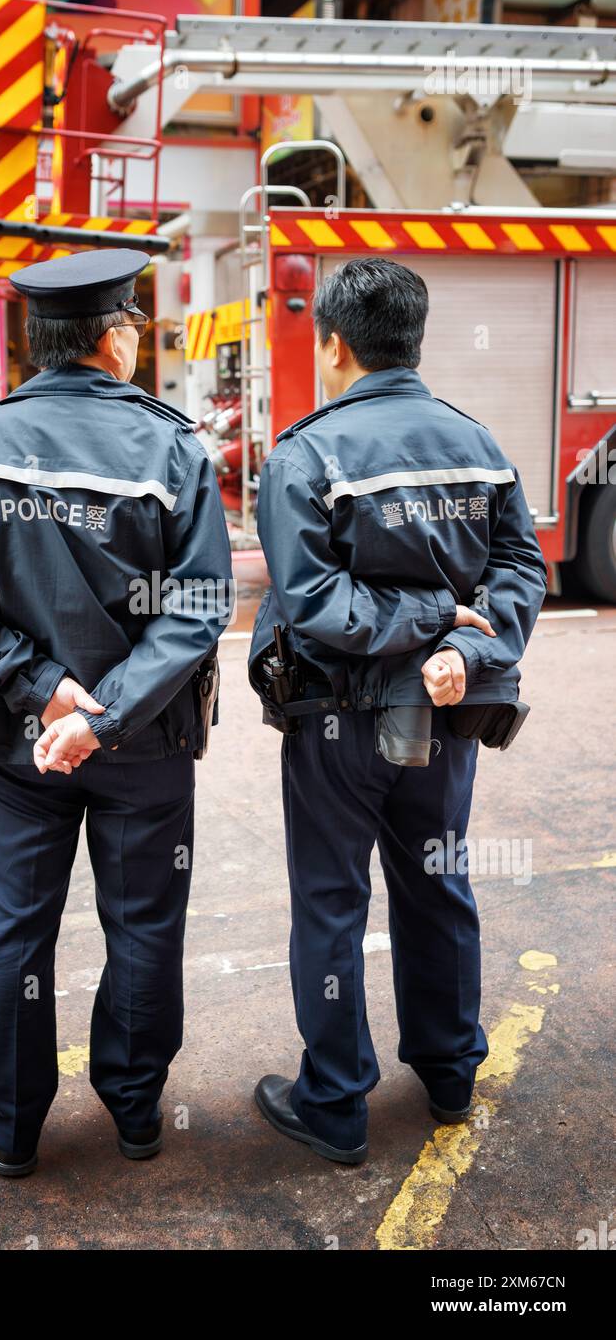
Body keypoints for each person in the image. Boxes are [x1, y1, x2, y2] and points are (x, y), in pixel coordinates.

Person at [0, 248, 233, 1177]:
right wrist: (106, 712)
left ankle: (11, 1130)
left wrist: (38, 690)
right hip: (146, 742)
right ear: (110, 338)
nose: (133, 338)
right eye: (131, 324)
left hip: (20, 749)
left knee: (15, 929)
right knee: (143, 926)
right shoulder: (172, 448)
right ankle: (134, 1114)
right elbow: (202, 607)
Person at [248, 256, 547, 1165]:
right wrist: (462, 646)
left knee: (331, 904)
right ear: (414, 341)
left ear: (333, 344)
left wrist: (429, 631)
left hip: (336, 722)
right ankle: (450, 1073)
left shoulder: (303, 452)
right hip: (446, 712)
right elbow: (521, 572)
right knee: (437, 883)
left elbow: (312, 604)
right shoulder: (477, 441)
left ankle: (335, 1105)